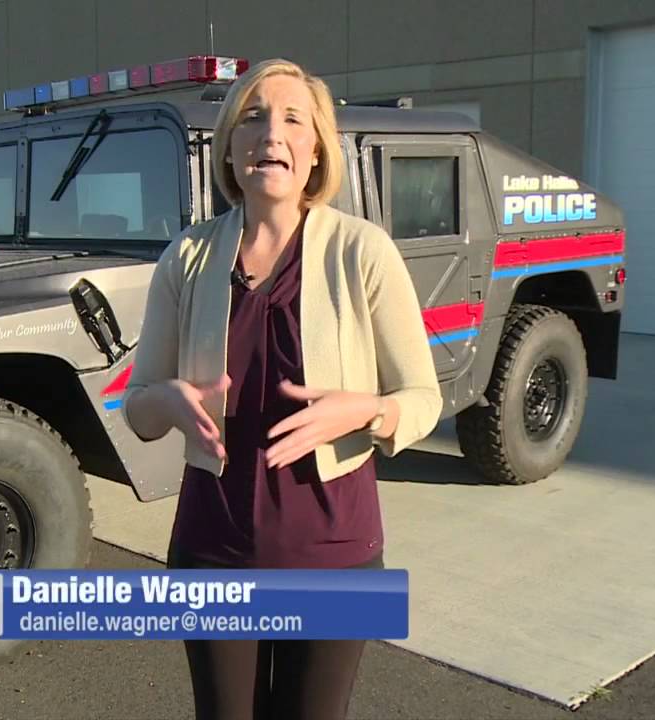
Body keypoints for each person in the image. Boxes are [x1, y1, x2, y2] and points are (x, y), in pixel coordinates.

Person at [120, 58, 442, 720]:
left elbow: (423, 400)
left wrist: (372, 410)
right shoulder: (186, 257)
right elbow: (140, 407)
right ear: (230, 150)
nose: (273, 131)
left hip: (334, 556)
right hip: (213, 551)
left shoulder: (364, 251)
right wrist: (171, 401)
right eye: (253, 117)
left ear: (316, 148)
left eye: (294, 118)